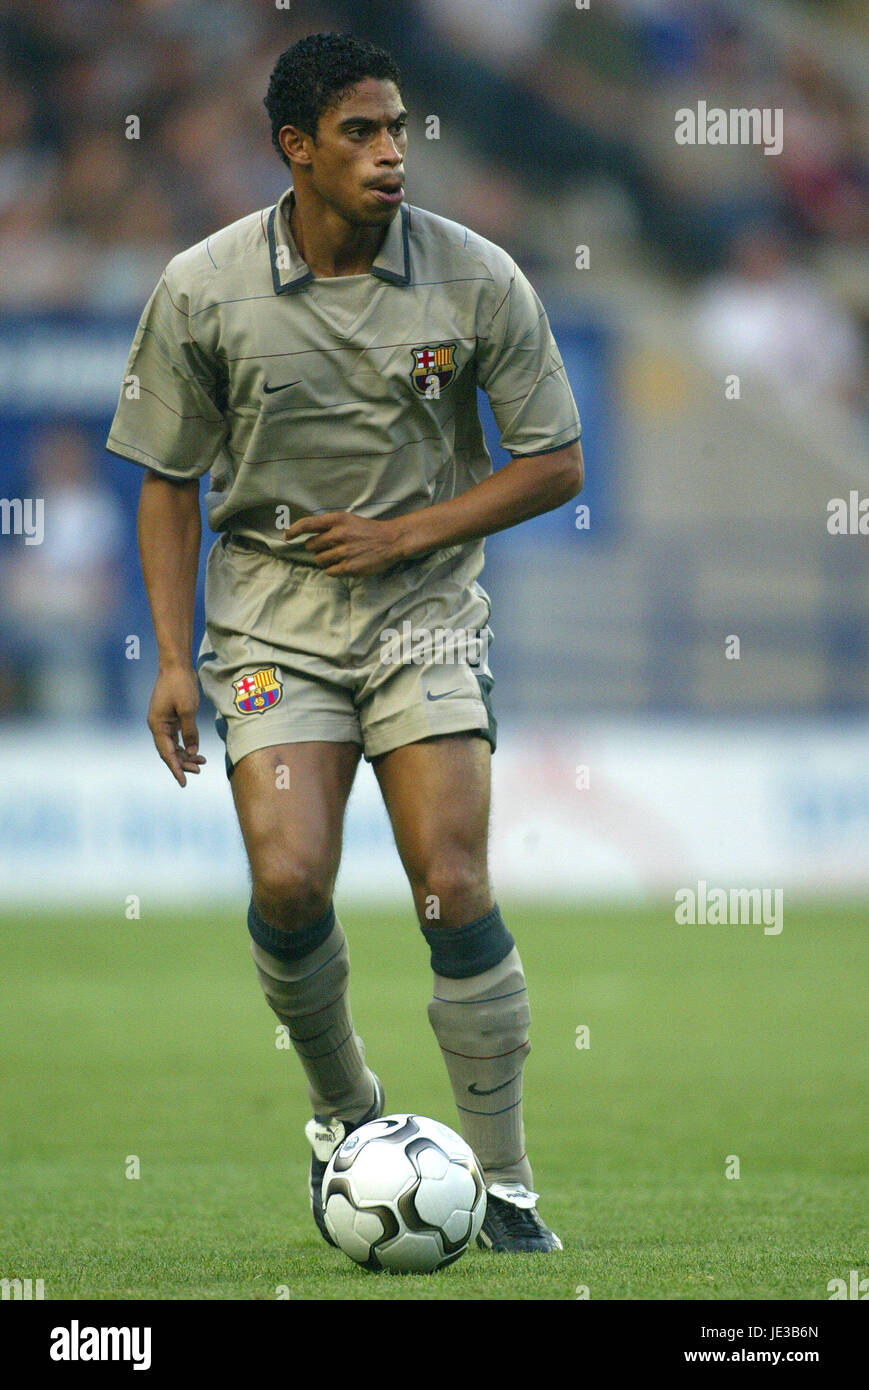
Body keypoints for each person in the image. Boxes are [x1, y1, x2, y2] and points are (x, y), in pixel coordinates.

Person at [108, 32, 582, 1254]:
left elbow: (555, 461)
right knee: (287, 877)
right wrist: (170, 654)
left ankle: (508, 1176)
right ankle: (344, 1110)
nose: (389, 154)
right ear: (296, 149)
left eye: (399, 130)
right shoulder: (203, 288)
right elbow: (165, 479)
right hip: (269, 614)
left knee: (453, 882)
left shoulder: (476, 277)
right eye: (362, 134)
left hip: (421, 609)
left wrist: (405, 532)